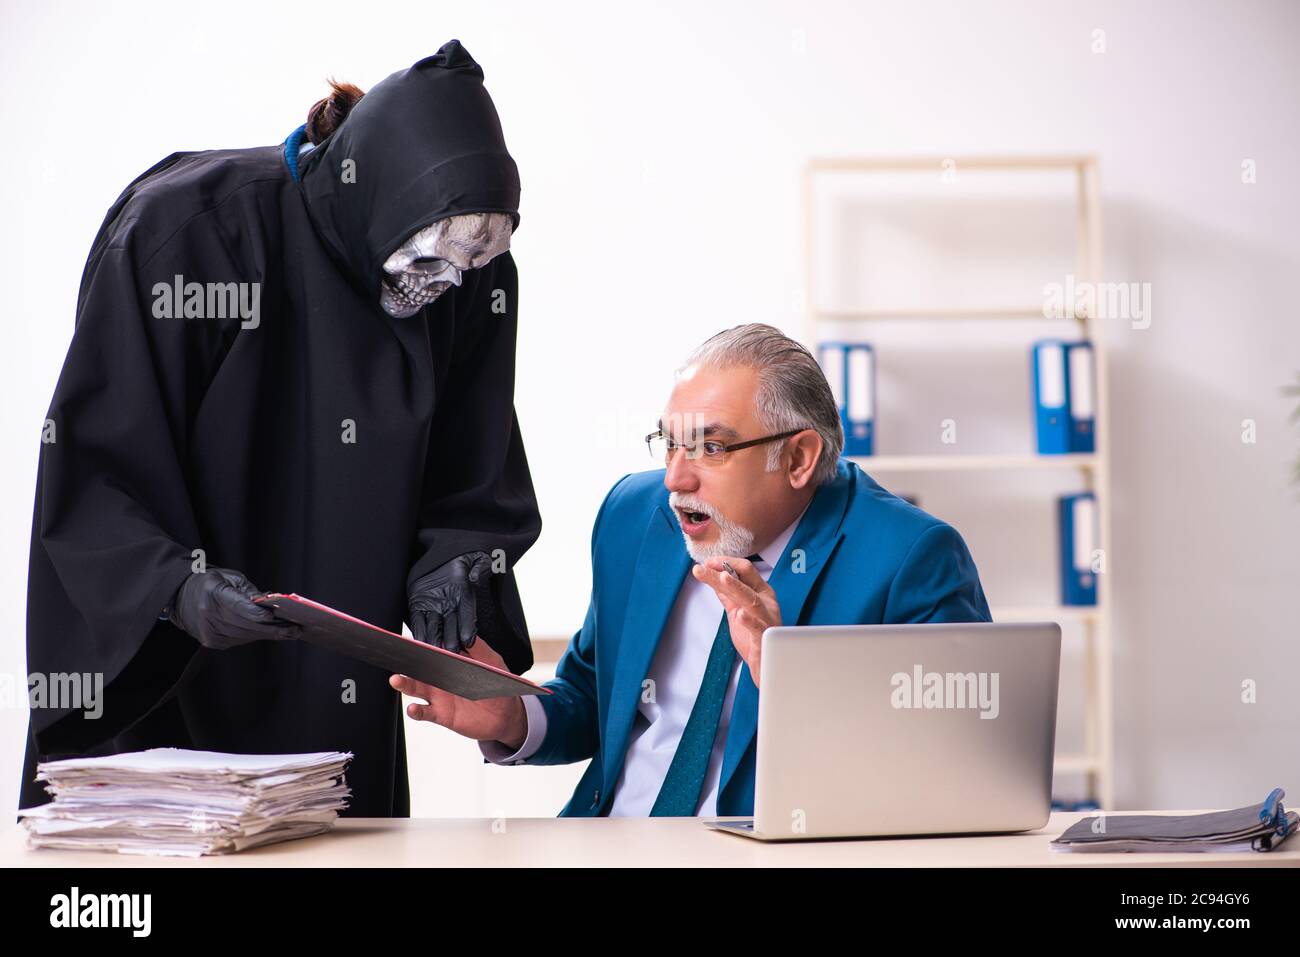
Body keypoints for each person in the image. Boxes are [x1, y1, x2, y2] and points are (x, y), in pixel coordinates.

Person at [20, 39, 540, 817]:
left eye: (471, 266)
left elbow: (476, 466)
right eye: (429, 264)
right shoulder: (189, 231)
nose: (447, 286)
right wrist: (176, 588)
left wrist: (453, 563)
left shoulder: (465, 273)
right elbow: (95, 460)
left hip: (332, 698)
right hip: (166, 685)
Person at [392, 323, 991, 816]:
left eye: (711, 448)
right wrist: (513, 714)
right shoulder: (635, 514)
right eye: (671, 443)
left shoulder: (911, 557)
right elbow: (595, 695)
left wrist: (793, 679)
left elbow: (956, 780)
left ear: (800, 457)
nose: (677, 479)